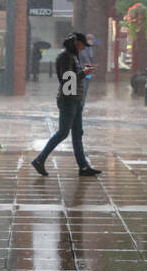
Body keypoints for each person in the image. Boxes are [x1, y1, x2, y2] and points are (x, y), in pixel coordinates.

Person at [31, 31, 101, 177]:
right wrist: (84, 72)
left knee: (77, 133)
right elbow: (67, 80)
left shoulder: (72, 56)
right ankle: (40, 160)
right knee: (63, 133)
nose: (83, 49)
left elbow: (72, 76)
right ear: (77, 43)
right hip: (68, 100)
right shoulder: (65, 57)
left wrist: (83, 70)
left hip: (75, 99)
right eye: (83, 45)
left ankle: (83, 166)